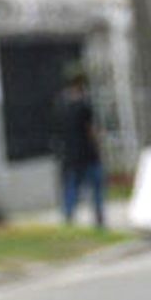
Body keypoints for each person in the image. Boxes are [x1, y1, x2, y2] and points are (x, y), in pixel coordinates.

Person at [51, 64, 105, 228]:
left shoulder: (60, 104)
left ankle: (69, 218)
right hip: (88, 153)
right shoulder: (84, 104)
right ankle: (98, 219)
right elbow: (91, 130)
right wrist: (98, 145)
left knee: (71, 188)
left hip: (69, 154)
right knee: (96, 187)